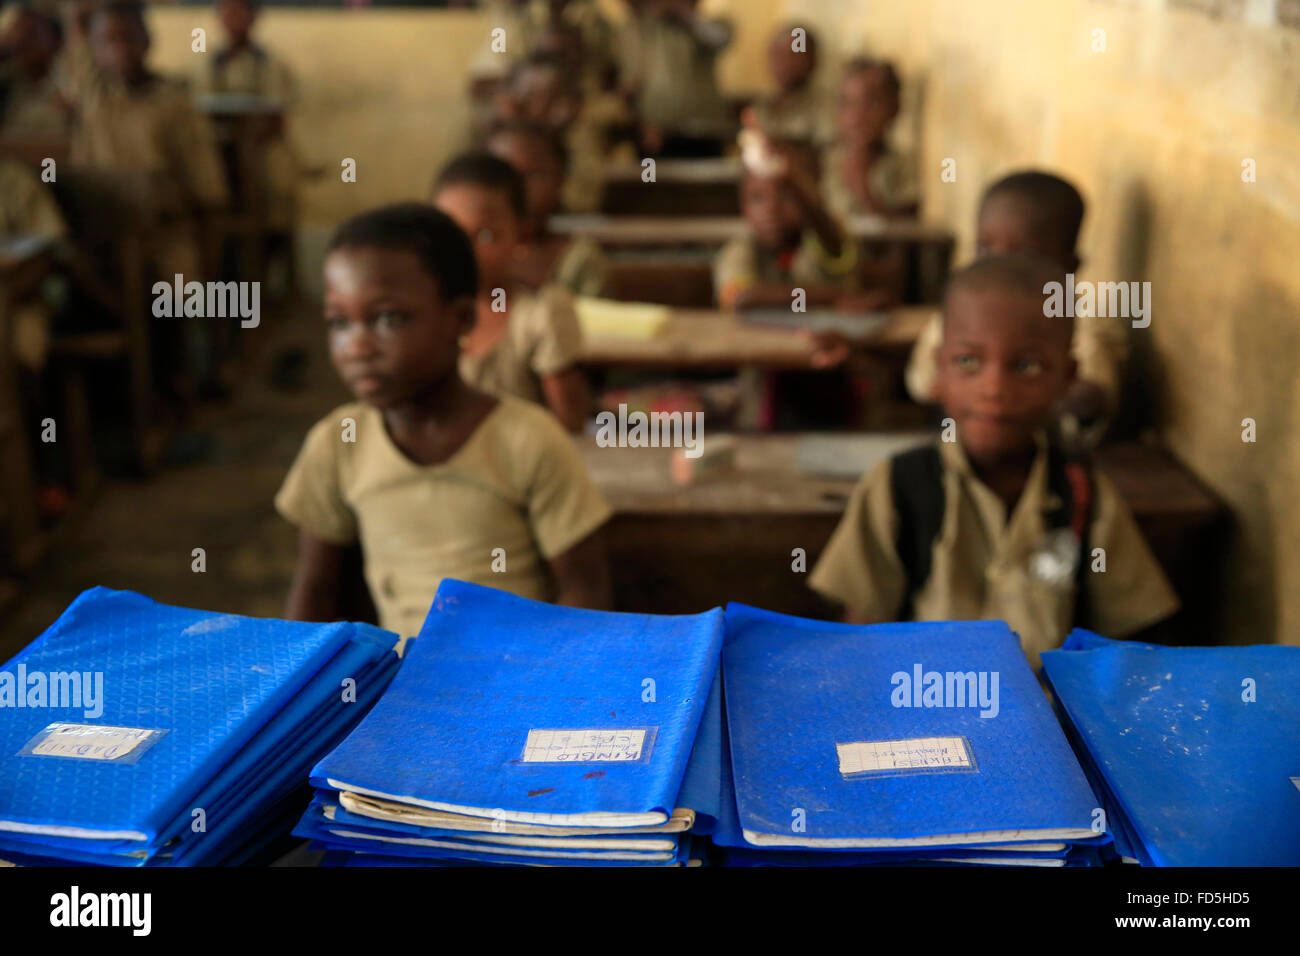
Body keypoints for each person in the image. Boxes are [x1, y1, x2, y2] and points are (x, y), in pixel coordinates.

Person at [810, 253, 1179, 667]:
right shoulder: (900, 486)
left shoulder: (1084, 496)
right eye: (968, 362)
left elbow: (1126, 645)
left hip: (1048, 719)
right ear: (940, 369)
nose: (994, 388)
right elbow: (860, 638)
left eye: (1027, 365)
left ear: (1068, 376)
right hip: (924, 713)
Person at [277, 203, 612, 638]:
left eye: (387, 318)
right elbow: (317, 593)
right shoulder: (338, 444)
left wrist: (552, 687)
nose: (356, 346)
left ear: (462, 318)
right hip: (402, 687)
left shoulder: (528, 439)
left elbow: (584, 590)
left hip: (518, 682)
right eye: (339, 322)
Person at [905, 170, 1128, 427]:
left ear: (1070, 266)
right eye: (985, 248)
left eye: (1023, 255)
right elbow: (922, 379)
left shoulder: (1082, 322)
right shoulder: (963, 312)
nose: (999, 265)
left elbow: (1095, 397)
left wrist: (1031, 398)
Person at [431, 151, 589, 432]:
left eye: (486, 235)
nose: (465, 250)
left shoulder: (541, 313)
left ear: (521, 236)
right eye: (450, 234)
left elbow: (568, 424)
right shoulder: (423, 313)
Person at [483, 118, 608, 296]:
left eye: (535, 175)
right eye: (504, 176)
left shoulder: (579, 262)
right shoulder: (471, 254)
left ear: (561, 178)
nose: (520, 189)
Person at [821, 58, 918, 219]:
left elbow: (905, 230)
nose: (858, 116)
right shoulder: (825, 162)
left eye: (871, 103)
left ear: (894, 108)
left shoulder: (903, 168)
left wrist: (861, 185)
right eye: (847, 103)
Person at [748, 21, 829, 146]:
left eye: (792, 56)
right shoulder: (763, 106)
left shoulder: (825, 108)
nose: (783, 64)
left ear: (812, 60)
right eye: (777, 55)